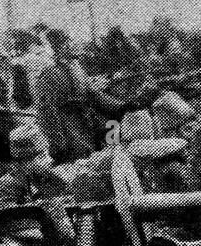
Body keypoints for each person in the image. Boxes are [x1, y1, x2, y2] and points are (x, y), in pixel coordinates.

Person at [35, 29, 132, 163]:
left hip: (87, 120)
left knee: (114, 136)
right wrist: (57, 142)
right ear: (59, 46)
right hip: (67, 126)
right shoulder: (49, 73)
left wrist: (121, 106)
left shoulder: (76, 66)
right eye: (68, 42)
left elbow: (92, 93)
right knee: (81, 160)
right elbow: (46, 110)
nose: (73, 45)